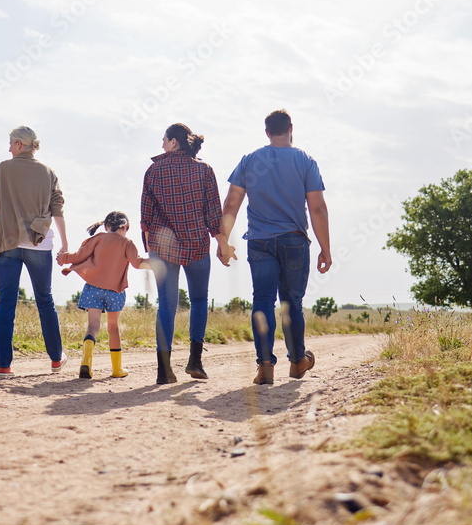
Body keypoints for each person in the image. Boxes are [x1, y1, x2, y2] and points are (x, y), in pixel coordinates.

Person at [218, 109, 332, 384]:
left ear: (266, 132)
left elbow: (232, 203)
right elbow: (317, 208)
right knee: (291, 304)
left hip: (259, 242)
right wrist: (325, 248)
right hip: (294, 240)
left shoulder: (250, 160)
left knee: (262, 301)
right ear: (291, 128)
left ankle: (265, 366)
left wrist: (223, 240)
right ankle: (297, 362)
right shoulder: (305, 161)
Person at [140, 123, 224, 384]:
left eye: (164, 140)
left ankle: (164, 371)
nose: (162, 144)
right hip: (197, 243)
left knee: (166, 303)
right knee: (199, 300)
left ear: (174, 142)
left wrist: (150, 249)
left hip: (162, 246)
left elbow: (146, 218)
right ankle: (195, 360)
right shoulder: (205, 170)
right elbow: (214, 215)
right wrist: (222, 244)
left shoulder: (153, 171)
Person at [0, 126, 69, 377]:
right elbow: (58, 209)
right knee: (45, 300)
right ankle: (56, 359)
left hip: (7, 242)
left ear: (20, 144)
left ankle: (3, 365)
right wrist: (65, 243)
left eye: (11, 143)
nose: (9, 147)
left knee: (6, 302)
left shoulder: (3, 168)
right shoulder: (48, 172)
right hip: (38, 243)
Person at [57, 211, 151, 379]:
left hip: (93, 288)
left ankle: (86, 362)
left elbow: (79, 256)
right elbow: (137, 263)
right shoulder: (128, 244)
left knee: (93, 327)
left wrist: (63, 258)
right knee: (113, 328)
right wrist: (157, 263)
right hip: (115, 292)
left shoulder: (98, 238)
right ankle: (116, 369)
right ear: (126, 227)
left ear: (106, 226)